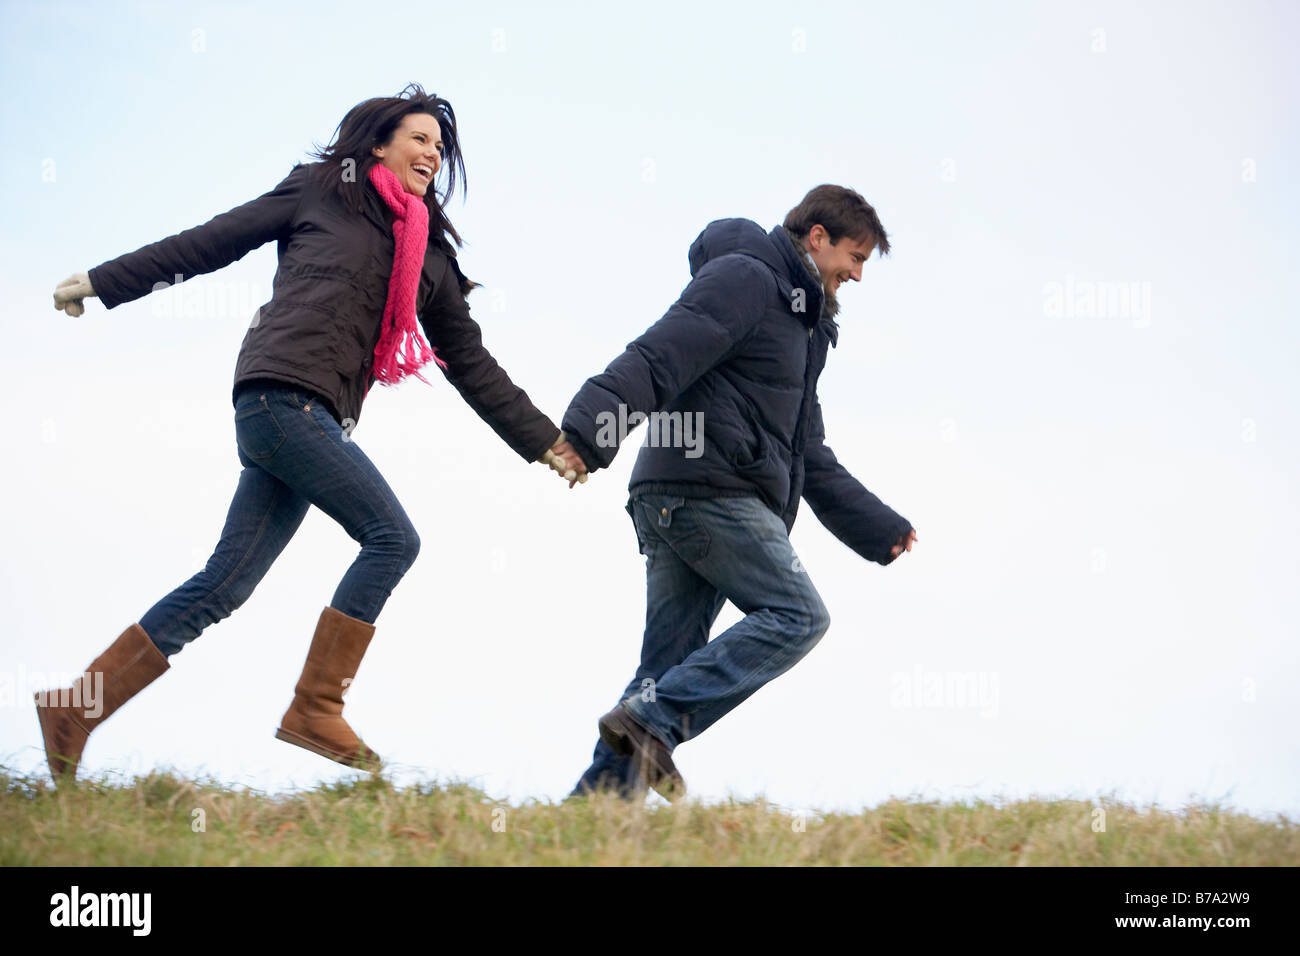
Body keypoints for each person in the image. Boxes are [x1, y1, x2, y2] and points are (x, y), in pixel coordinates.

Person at [36, 83, 586, 784]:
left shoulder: (430, 261)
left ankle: (71, 711)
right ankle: (316, 708)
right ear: (379, 142)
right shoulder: (325, 191)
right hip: (278, 398)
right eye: (419, 138)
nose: (432, 154)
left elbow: (472, 365)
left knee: (223, 585)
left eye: (440, 148)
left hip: (313, 418)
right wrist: (99, 282)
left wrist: (546, 441)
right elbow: (210, 241)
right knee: (393, 538)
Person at [559, 185, 917, 800]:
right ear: (817, 237)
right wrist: (590, 431)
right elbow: (659, 356)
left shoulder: (804, 325)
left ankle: (595, 811)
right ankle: (654, 719)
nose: (857, 275)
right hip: (708, 489)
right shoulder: (749, 281)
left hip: (683, 492)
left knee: (665, 665)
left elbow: (806, 449)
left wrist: (877, 527)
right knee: (798, 616)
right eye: (854, 258)